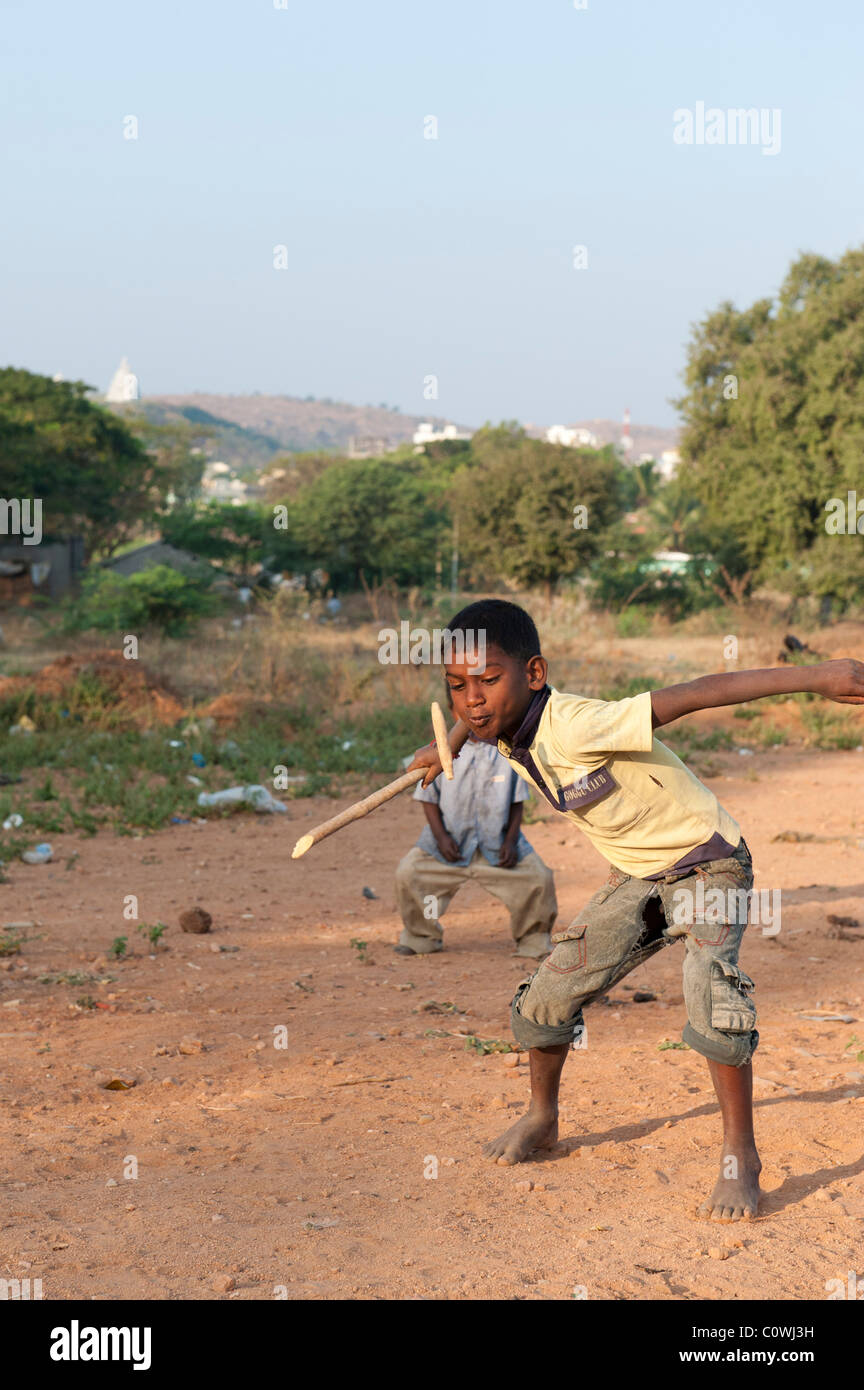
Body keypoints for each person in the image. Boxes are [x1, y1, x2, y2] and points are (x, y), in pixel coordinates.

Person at [407, 598, 864, 1222]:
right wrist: (447, 743)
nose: (473, 700)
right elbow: (476, 717)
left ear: (534, 675)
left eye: (489, 680)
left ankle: (741, 1159)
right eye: (456, 688)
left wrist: (821, 674)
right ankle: (543, 1118)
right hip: (640, 880)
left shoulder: (576, 724)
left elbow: (698, 692)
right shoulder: (504, 726)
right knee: (547, 996)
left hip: (708, 864)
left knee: (713, 992)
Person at [394, 688, 557, 958]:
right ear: (451, 712)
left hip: (498, 846)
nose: (474, 717)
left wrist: (511, 840)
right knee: (410, 875)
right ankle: (421, 936)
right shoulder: (436, 752)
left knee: (538, 879)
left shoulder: (508, 750)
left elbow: (517, 801)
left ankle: (533, 940)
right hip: (448, 845)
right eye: (463, 713)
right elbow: (428, 798)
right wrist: (441, 837)